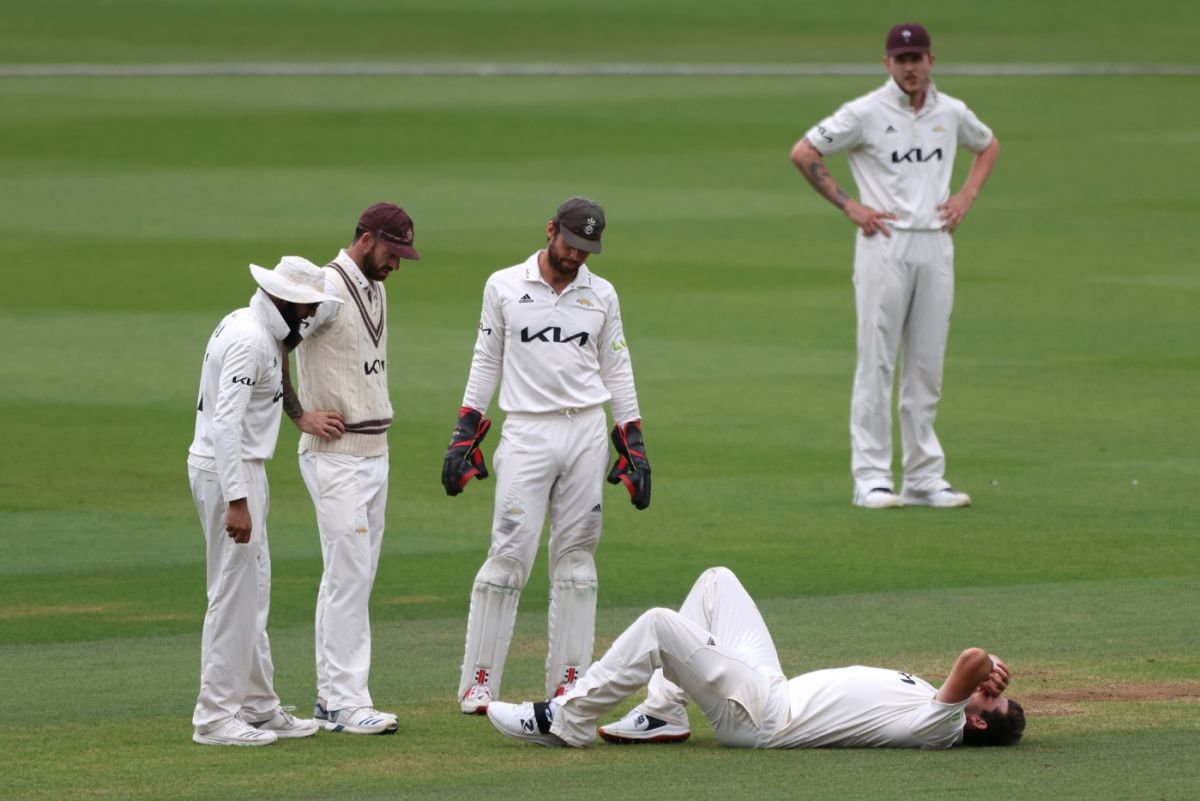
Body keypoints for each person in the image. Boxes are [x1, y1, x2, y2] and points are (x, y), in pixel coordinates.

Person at [444, 196, 652, 715]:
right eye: (571, 243)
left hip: (585, 430)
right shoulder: (503, 286)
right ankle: (478, 683)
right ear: (550, 230)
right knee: (508, 557)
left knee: (577, 565)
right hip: (526, 431)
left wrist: (632, 440)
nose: (576, 256)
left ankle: (568, 685)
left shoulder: (602, 294)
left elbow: (617, 367)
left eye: (587, 249)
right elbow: (486, 359)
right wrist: (466, 430)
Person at [789, 23, 1001, 509]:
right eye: (901, 60)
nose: (910, 68)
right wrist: (850, 206)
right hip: (884, 245)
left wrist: (967, 195)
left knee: (926, 365)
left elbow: (988, 145)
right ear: (888, 63)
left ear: (931, 61)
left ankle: (924, 477)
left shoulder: (951, 112)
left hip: (936, 243)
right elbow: (804, 152)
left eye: (916, 58)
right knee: (877, 361)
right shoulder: (865, 112)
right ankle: (871, 478)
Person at [487, 567, 1025, 750]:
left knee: (658, 624)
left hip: (763, 719)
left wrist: (990, 665)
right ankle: (664, 713)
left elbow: (972, 659)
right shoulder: (938, 702)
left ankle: (565, 719)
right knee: (717, 582)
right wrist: (987, 672)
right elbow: (970, 668)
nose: (989, 688)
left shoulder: (941, 729)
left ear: (978, 720)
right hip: (771, 689)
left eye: (991, 699)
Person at [187, 256, 343, 746]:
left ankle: (256, 705)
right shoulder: (250, 340)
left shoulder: (259, 326)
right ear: (285, 299)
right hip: (228, 472)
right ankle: (214, 717)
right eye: (307, 304)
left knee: (253, 588)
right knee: (233, 594)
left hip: (241, 469)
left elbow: (278, 369)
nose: (311, 313)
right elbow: (225, 425)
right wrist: (237, 500)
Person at [280, 202, 420, 735]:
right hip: (335, 457)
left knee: (352, 576)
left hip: (375, 452)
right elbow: (275, 342)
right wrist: (300, 415)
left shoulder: (375, 287)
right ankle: (345, 701)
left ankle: (331, 698)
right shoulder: (325, 290)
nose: (396, 264)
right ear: (365, 238)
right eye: (392, 252)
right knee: (349, 576)